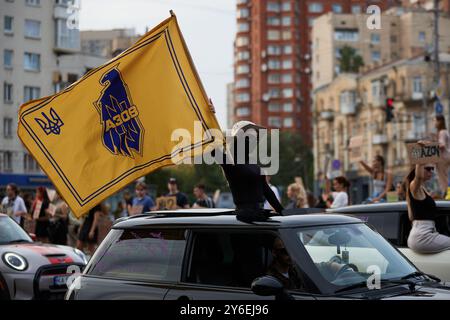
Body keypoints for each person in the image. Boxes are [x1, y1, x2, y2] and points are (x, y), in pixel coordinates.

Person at [219, 121, 284, 222]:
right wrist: (209, 113)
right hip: (245, 220)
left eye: (256, 139)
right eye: (250, 138)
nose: (254, 142)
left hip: (259, 215)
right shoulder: (229, 162)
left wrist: (282, 211)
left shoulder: (254, 165)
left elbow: (267, 191)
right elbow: (211, 146)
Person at [405, 161, 450, 253]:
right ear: (417, 169)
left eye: (432, 169)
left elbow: (411, 217)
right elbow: (418, 177)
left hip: (421, 234)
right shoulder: (414, 185)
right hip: (423, 236)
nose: (431, 172)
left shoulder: (422, 189)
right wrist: (419, 160)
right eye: (428, 169)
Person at [434, 115, 450, 197]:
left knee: (442, 177)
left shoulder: (441, 132)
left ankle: (446, 194)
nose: (435, 123)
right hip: (448, 156)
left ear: (440, 122)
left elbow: (442, 145)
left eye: (435, 121)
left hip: (442, 157)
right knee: (445, 176)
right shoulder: (446, 131)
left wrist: (433, 145)